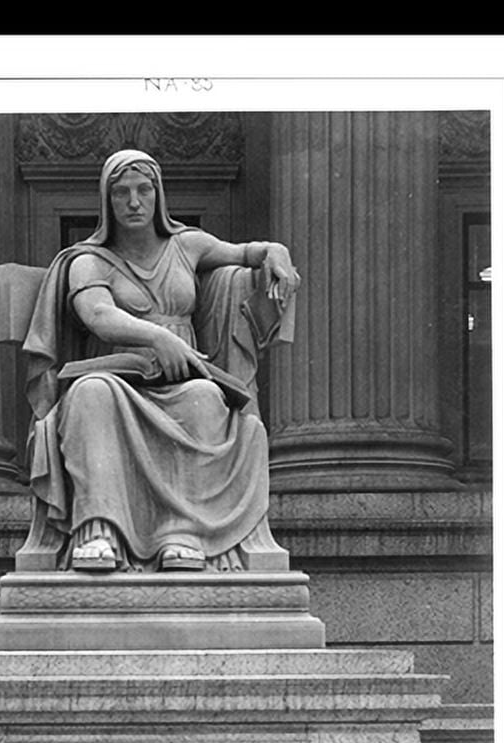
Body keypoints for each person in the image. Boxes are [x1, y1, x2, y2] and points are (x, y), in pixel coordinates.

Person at [20, 149, 299, 573]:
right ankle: (99, 529)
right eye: (121, 193)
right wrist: (157, 337)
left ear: (158, 196)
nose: (133, 201)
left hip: (181, 380)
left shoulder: (187, 246)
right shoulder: (88, 260)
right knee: (91, 396)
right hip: (116, 375)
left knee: (205, 399)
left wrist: (274, 251)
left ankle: (182, 534)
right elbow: (98, 314)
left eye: (143, 190)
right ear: (107, 202)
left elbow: (245, 253)